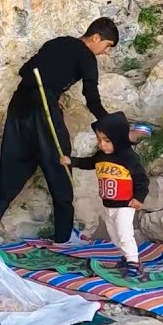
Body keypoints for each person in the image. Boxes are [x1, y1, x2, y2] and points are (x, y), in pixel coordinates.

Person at [0, 18, 120, 245]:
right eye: (107, 46)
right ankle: (63, 237)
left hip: (19, 106)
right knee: (60, 165)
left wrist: (51, 90)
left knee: (15, 166)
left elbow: (25, 70)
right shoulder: (86, 56)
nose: (105, 52)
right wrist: (109, 123)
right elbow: (92, 98)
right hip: (43, 111)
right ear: (96, 37)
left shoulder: (56, 43)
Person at [60, 111, 149, 279]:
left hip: (125, 204)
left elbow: (142, 179)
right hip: (108, 204)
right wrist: (72, 161)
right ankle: (125, 256)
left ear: (119, 138)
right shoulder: (101, 156)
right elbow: (89, 163)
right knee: (114, 234)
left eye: (107, 140)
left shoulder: (128, 157)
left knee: (124, 234)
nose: (102, 144)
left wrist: (139, 198)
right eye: (99, 140)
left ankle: (134, 262)